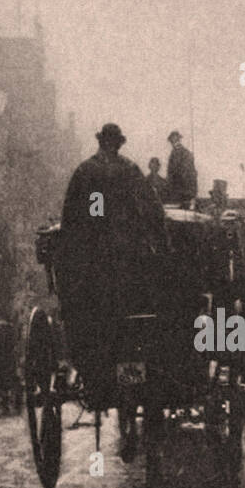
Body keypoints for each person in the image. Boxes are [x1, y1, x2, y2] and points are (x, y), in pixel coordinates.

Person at [57, 123, 166, 402]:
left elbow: (72, 217)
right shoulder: (130, 171)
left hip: (91, 261)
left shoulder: (85, 172)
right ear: (118, 144)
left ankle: (98, 375)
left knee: (92, 317)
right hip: (130, 261)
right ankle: (133, 376)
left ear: (100, 142)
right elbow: (153, 211)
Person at [165, 130, 198, 207]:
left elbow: (187, 172)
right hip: (177, 188)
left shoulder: (185, 153)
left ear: (179, 139)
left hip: (183, 188)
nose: (174, 142)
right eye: (172, 140)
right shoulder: (174, 153)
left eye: (175, 140)